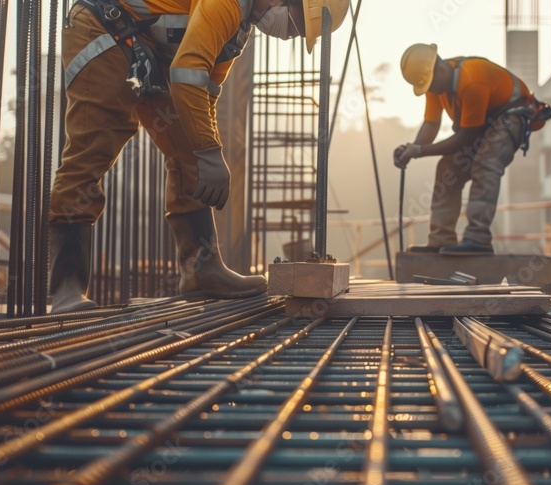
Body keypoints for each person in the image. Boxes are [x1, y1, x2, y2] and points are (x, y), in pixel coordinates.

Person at [48, 0, 348, 313]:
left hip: (140, 41)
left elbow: (202, 96)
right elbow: (186, 71)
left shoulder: (238, 30)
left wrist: (206, 148)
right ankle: (66, 287)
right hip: (102, 27)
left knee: (191, 148)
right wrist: (210, 150)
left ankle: (202, 271)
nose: (290, 36)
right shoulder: (227, 4)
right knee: (96, 144)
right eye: (297, 26)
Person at [394, 43, 535, 255]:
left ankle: (478, 239)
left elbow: (465, 138)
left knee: (486, 165)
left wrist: (421, 151)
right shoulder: (435, 83)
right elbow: (431, 123)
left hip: (512, 115)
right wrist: (413, 148)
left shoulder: (472, 80)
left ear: (440, 69)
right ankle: (441, 240)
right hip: (483, 123)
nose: (430, 91)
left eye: (430, 85)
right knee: (447, 169)